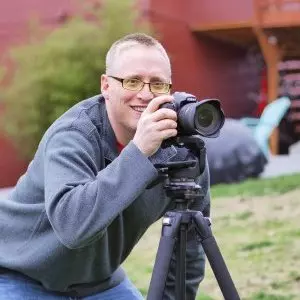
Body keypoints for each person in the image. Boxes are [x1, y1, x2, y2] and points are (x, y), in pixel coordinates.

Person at [0, 33, 210, 299]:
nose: (145, 94)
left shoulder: (180, 150)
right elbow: (73, 227)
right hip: (19, 276)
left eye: (157, 84)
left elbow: (189, 245)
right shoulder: (74, 135)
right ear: (106, 86)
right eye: (132, 81)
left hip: (99, 283)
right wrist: (139, 152)